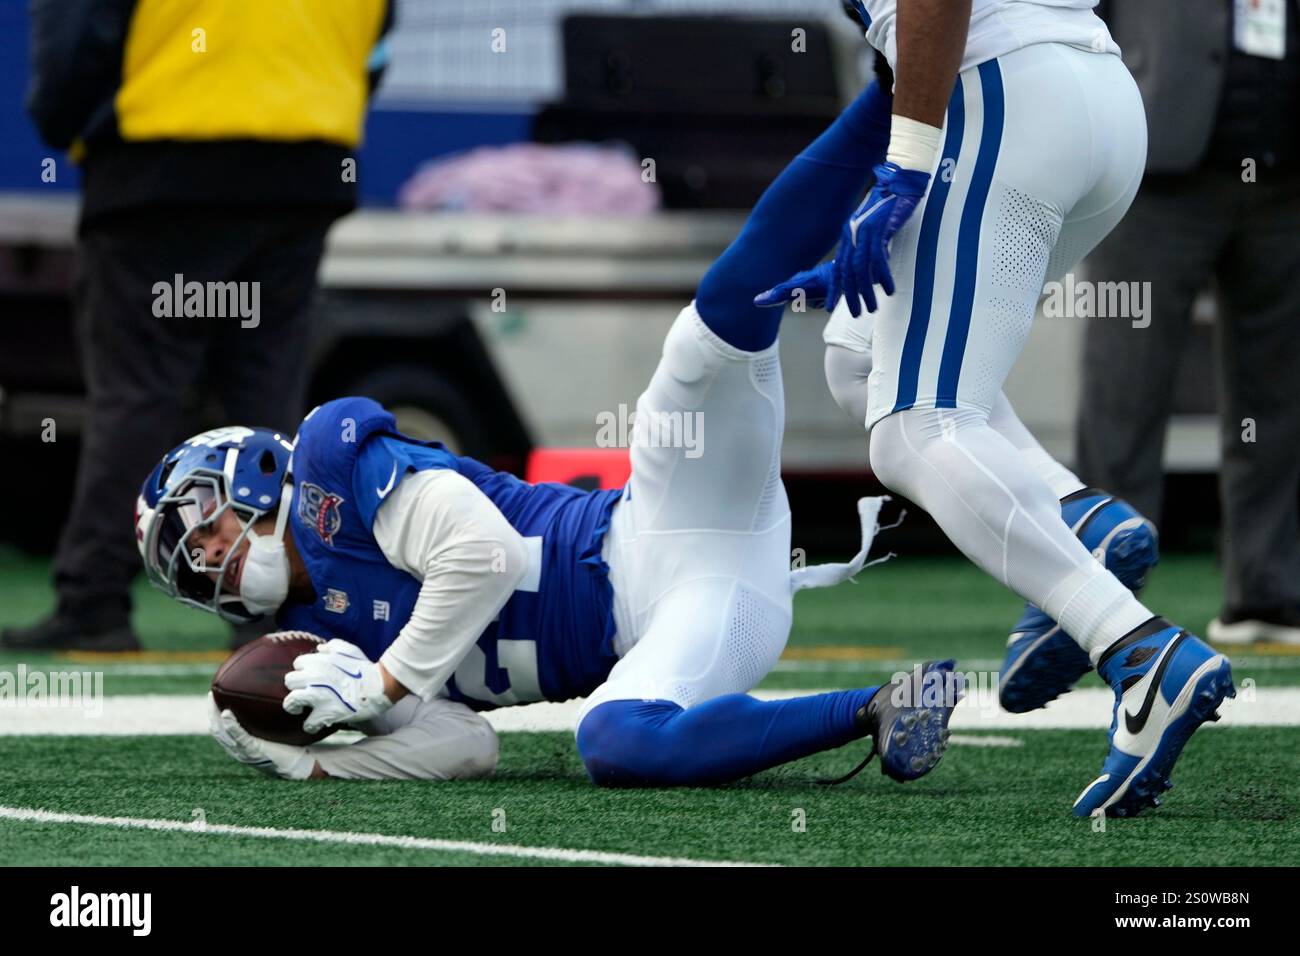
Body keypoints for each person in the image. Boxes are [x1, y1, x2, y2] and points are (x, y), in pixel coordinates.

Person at [134, 79, 963, 786]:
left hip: (657, 520)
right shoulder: (332, 643)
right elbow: (465, 743)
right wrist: (321, 762)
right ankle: (879, 706)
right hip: (692, 615)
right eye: (188, 566)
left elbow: (481, 554)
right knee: (613, 743)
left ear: (251, 472)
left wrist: (384, 685)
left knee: (709, 330)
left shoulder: (330, 463)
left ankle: (892, 94)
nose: (204, 561)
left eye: (199, 527)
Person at [759, 0, 1233, 818]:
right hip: (1089, 99)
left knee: (916, 427)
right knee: (862, 354)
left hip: (1008, 100)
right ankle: (1071, 512)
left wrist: (906, 169)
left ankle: (1136, 646)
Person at [4, 0, 394, 653]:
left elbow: (73, 46)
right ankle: (275, 604)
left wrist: (74, 122)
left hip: (160, 161)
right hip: (305, 159)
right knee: (267, 396)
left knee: (139, 391)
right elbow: (376, 42)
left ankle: (94, 600)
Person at [1078, 0, 1300, 646]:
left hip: (1286, 174)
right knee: (1123, 393)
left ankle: (1267, 593)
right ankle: (1097, 598)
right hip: (1150, 167)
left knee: (1279, 398)